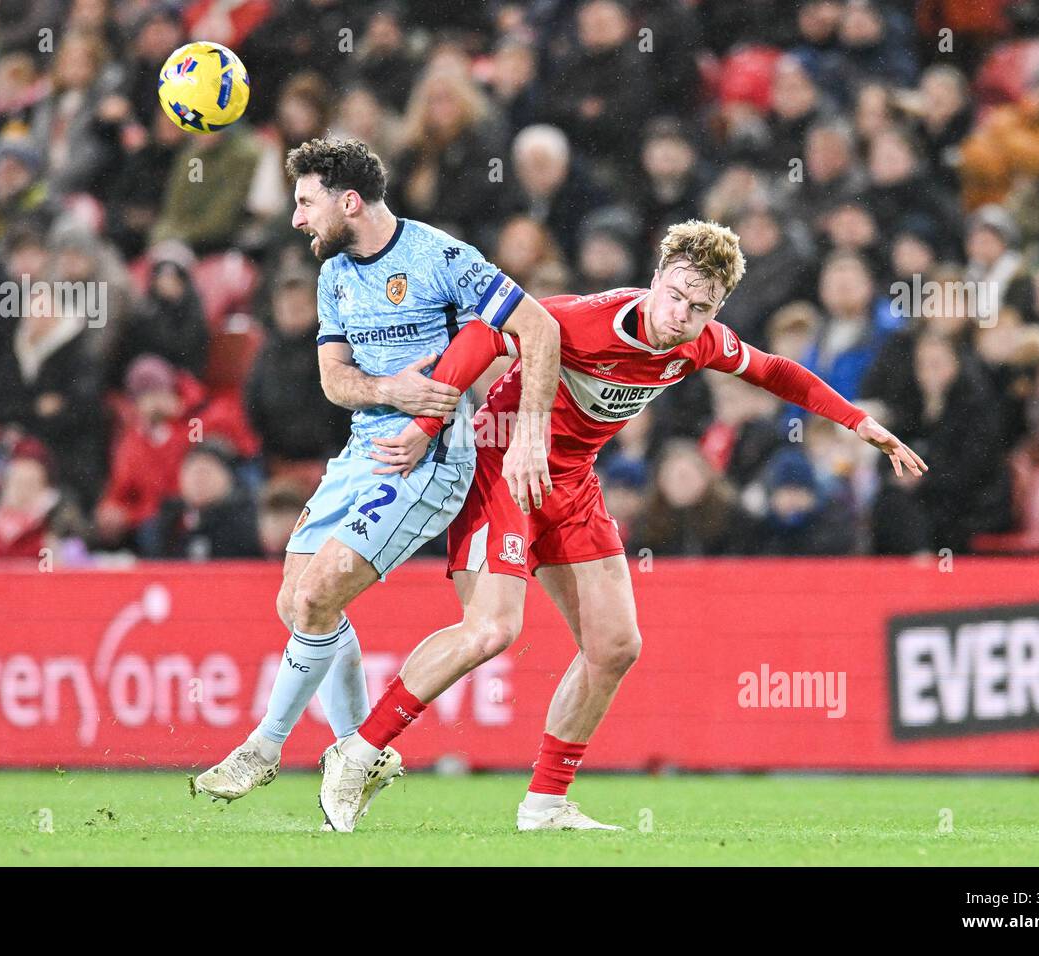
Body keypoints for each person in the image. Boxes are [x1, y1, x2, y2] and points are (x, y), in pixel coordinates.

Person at [317, 220, 926, 831]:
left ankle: (545, 804)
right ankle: (358, 752)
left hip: (572, 483)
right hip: (504, 465)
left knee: (614, 647)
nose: (682, 314)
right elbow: (483, 333)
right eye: (676, 295)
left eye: (701, 306)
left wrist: (857, 422)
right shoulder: (585, 319)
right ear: (655, 279)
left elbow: (774, 371)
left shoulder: (700, 342)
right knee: (491, 632)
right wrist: (427, 422)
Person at [192, 138, 561, 817]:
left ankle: (264, 747)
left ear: (349, 200)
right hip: (363, 449)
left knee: (317, 597)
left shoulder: (439, 258)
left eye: (306, 203)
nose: (298, 219)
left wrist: (530, 437)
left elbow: (539, 329)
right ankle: (360, 755)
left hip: (430, 456)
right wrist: (391, 389)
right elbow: (336, 382)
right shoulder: (333, 277)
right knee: (298, 602)